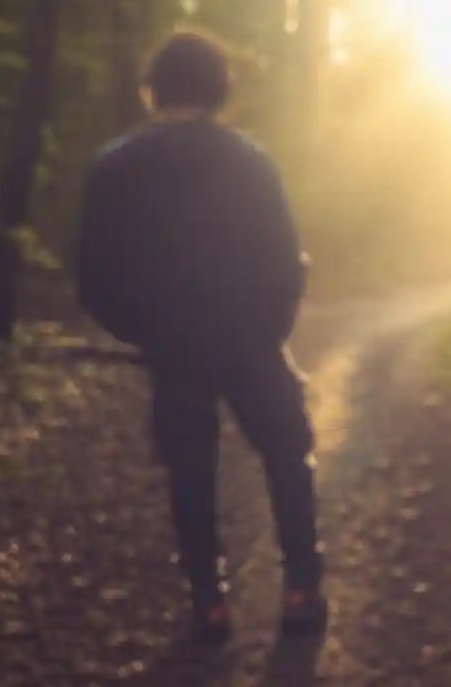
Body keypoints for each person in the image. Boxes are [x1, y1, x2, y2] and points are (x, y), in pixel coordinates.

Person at [74, 32, 326, 642]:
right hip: (249, 337)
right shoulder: (252, 162)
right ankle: (300, 588)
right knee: (289, 453)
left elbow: (92, 273)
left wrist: (142, 331)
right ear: (219, 87)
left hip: (172, 344)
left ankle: (208, 602)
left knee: (190, 469)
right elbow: (285, 259)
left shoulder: (114, 166)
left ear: (153, 88)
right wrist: (269, 328)